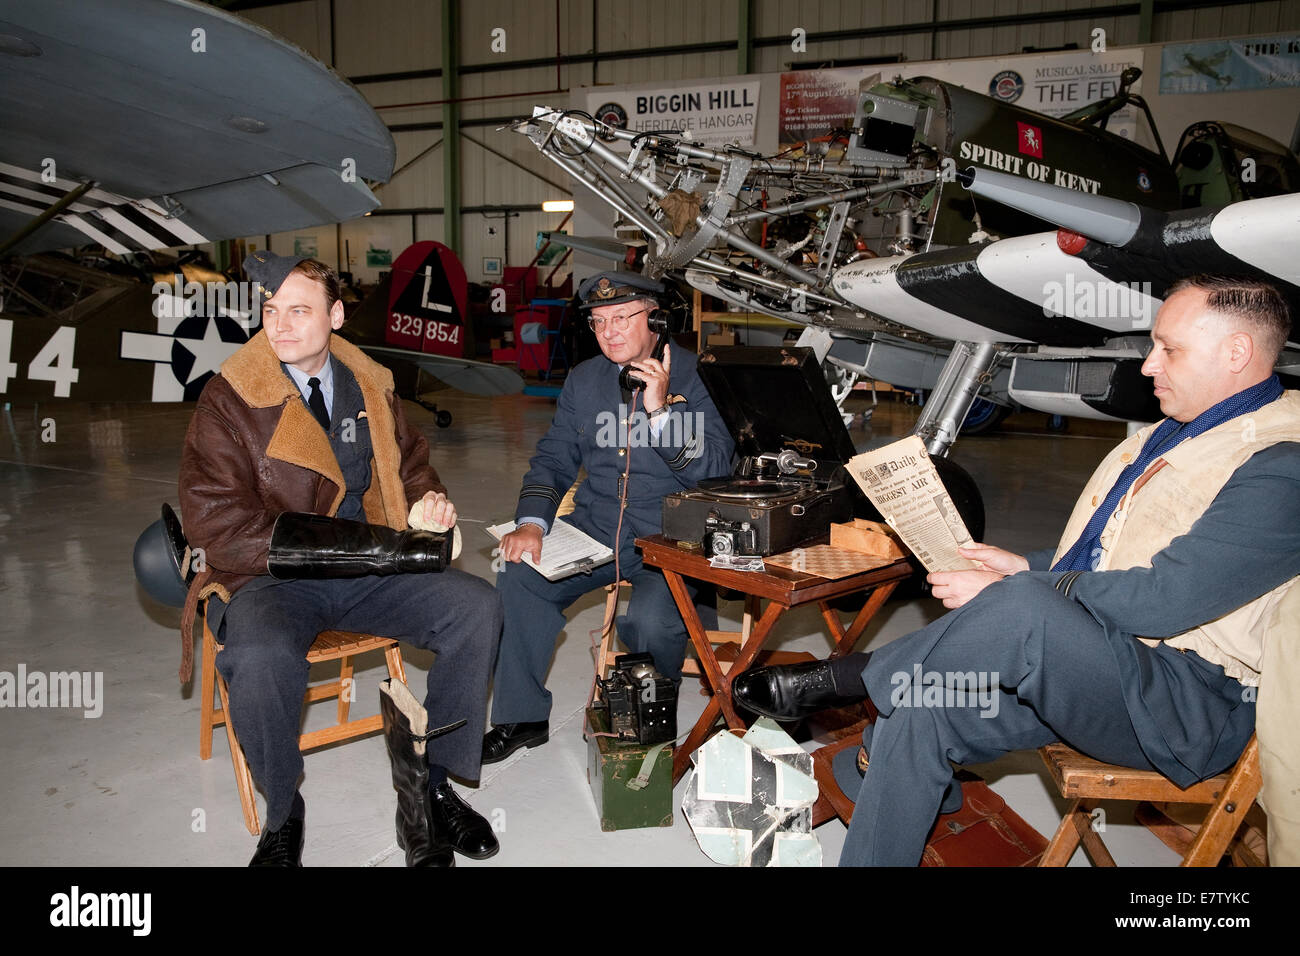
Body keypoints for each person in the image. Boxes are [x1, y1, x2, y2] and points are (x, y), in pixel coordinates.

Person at [733, 274, 1300, 866]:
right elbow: (1112, 558)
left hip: (1189, 705)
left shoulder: (1282, 466)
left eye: (1169, 349)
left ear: (1236, 353)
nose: (1149, 365)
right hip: (1104, 661)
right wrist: (1027, 564)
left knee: (1024, 609)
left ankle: (840, 681)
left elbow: (1164, 599)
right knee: (920, 709)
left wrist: (1025, 585)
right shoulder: (1180, 433)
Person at [178, 252, 502, 867]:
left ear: (336, 315)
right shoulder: (230, 399)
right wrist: (331, 550)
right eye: (271, 311)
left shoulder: (370, 386)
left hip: (368, 567)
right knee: (257, 654)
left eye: (299, 310)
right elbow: (214, 520)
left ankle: (433, 790)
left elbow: (410, 464)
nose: (279, 326)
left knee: (477, 607)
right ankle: (282, 817)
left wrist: (428, 502)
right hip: (271, 577)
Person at [483, 272, 734, 761]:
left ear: (657, 318)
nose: (610, 332)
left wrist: (661, 413)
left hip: (673, 536)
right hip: (597, 526)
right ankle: (522, 717)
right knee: (518, 576)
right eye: (599, 322)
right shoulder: (585, 379)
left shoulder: (701, 375)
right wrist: (532, 523)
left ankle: (647, 723)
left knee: (650, 622)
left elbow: (717, 471)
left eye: (623, 317)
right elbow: (554, 459)